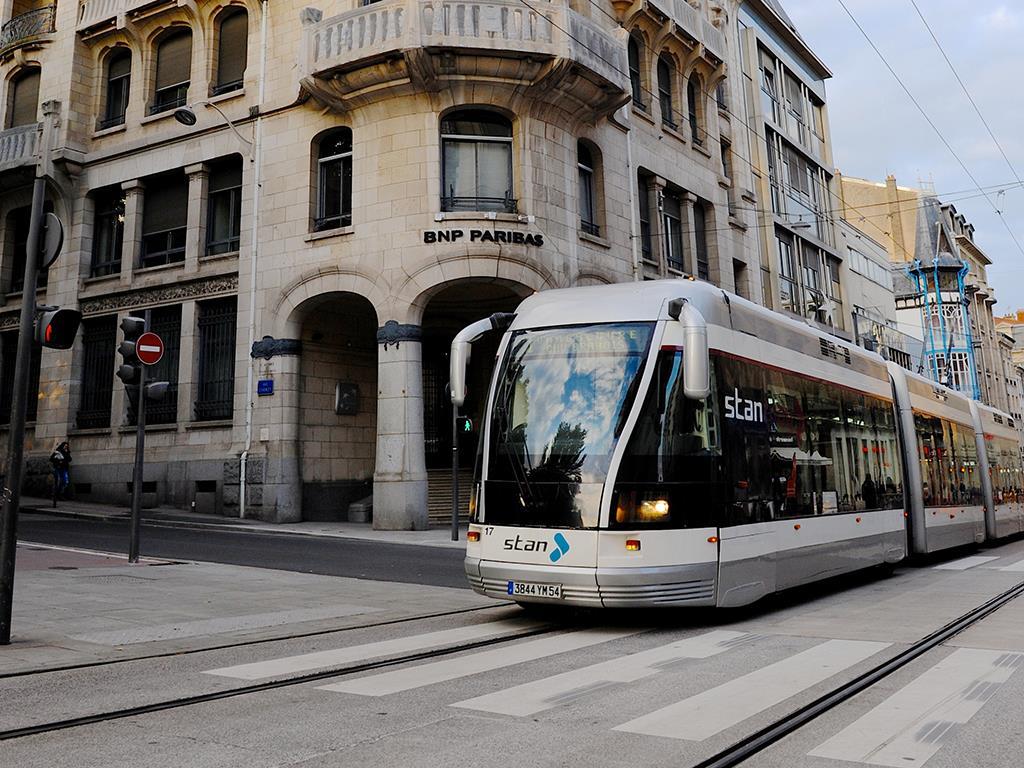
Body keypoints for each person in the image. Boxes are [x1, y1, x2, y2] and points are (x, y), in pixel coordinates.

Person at [49, 441, 71, 505]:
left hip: (64, 469)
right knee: (57, 482)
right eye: (65, 446)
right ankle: (55, 495)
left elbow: (69, 459)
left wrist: (67, 453)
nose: (66, 447)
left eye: (67, 446)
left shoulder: (67, 452)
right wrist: (59, 461)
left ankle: (60, 494)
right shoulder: (58, 451)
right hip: (58, 469)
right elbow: (51, 459)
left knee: (64, 482)